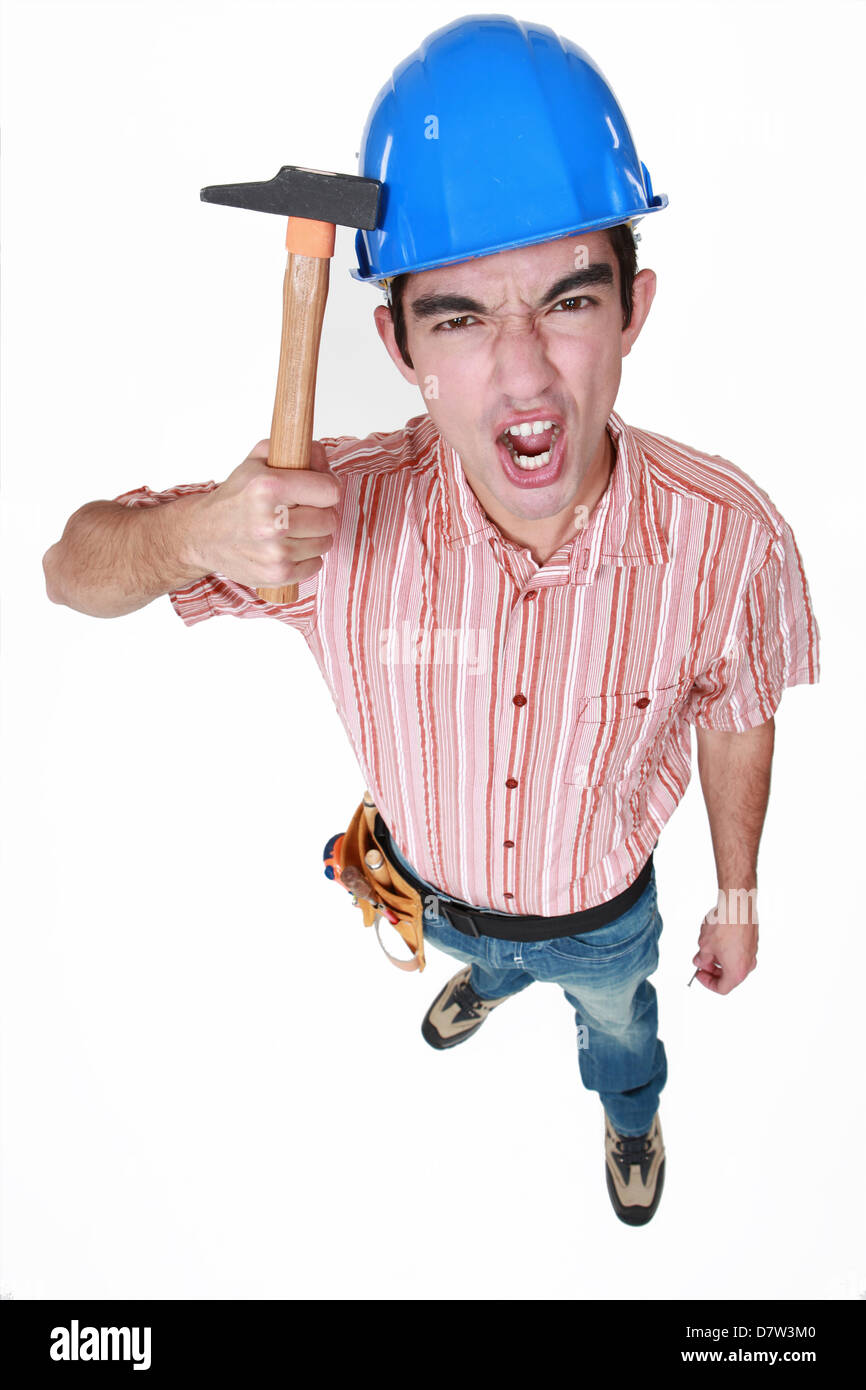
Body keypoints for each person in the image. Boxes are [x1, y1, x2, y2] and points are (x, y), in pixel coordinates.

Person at [41, 16, 820, 1225]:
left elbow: (736, 715)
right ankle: (488, 976)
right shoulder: (319, 519)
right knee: (482, 951)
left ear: (632, 310)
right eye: (457, 318)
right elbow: (68, 570)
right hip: (433, 894)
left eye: (567, 301)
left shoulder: (731, 538)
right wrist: (194, 534)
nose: (521, 376)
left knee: (619, 1029)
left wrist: (737, 892)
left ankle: (627, 1113)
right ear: (395, 341)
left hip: (608, 921)